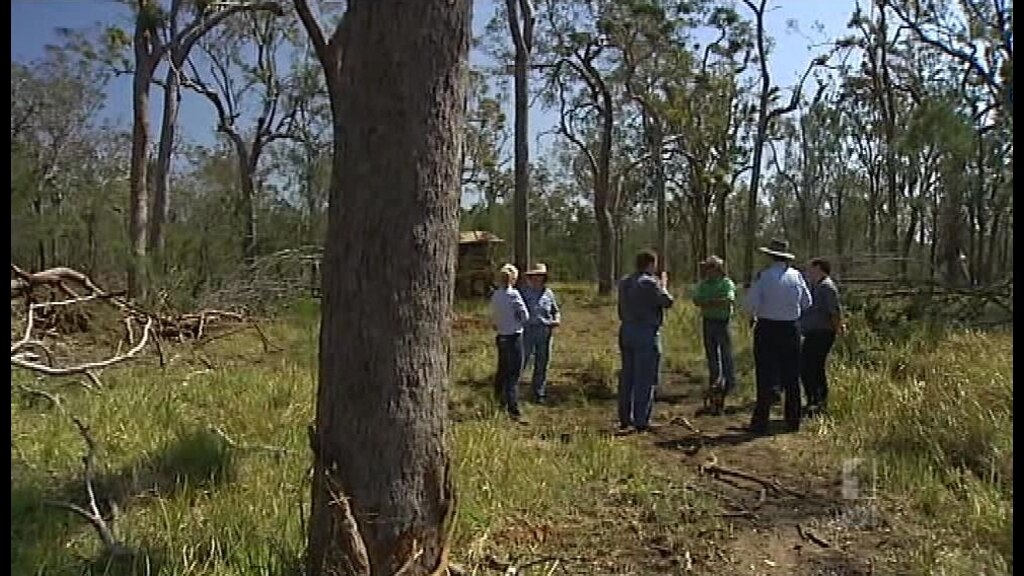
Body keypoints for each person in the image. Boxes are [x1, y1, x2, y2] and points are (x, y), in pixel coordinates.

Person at [743, 239, 812, 435]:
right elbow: (807, 302)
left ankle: (761, 422)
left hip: (767, 328)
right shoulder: (797, 276)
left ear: (770, 257)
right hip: (791, 328)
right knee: (792, 376)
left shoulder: (763, 277)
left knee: (765, 376)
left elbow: (750, 304)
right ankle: (793, 420)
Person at [617, 249, 674, 433]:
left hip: (626, 329)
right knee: (645, 377)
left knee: (628, 376)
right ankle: (641, 419)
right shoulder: (650, 283)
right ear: (651, 264)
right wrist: (663, 283)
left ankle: (625, 417)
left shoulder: (625, 282)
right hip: (646, 331)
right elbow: (667, 302)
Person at [799, 258, 845, 417]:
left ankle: (819, 403)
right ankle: (813, 400)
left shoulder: (827, 287)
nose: (808, 272)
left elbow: (834, 311)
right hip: (812, 332)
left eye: (810, 269)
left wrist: (838, 328)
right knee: (808, 367)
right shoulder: (814, 286)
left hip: (823, 333)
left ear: (819, 268)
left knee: (813, 367)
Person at [692, 255, 737, 414]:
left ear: (717, 269)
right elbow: (697, 300)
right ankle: (715, 382)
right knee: (711, 354)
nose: (707, 271)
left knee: (725, 353)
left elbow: (728, 300)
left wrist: (709, 302)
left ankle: (729, 384)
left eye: (709, 268)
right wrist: (713, 302)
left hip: (722, 322)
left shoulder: (726, 283)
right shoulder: (704, 284)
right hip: (708, 321)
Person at [490, 263, 529, 422]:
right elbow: (524, 315)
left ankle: (498, 401)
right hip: (514, 336)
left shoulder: (495, 295)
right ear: (512, 279)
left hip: (501, 336)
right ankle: (513, 409)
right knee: (514, 373)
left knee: (502, 370)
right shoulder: (514, 295)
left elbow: (493, 317)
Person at [521, 263, 561, 404]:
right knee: (523, 361)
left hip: (545, 331)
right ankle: (514, 392)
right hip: (528, 331)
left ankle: (538, 393)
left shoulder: (548, 293)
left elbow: (555, 311)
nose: (538, 278)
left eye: (540, 276)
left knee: (542, 362)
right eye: (535, 276)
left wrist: (556, 320)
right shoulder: (523, 292)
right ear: (531, 277)